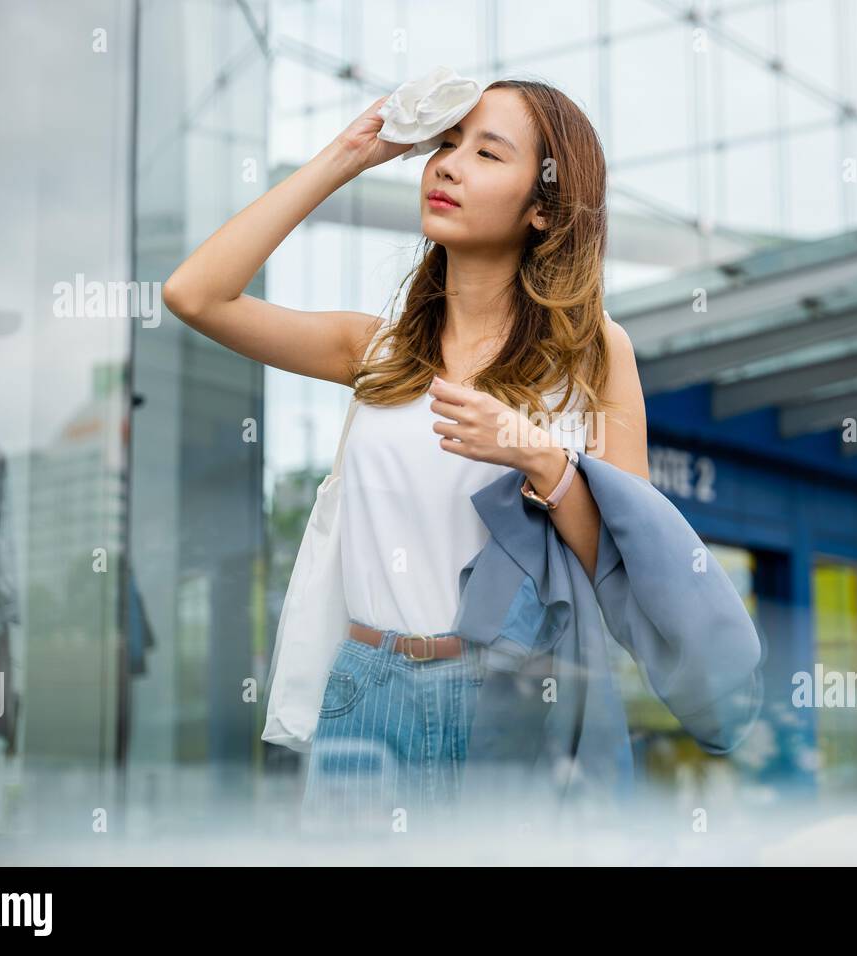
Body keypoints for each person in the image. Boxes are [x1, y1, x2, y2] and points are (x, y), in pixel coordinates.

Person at [162, 79, 649, 834]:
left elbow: (628, 562)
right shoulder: (377, 350)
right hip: (367, 689)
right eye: (446, 145)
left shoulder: (594, 353)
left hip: (509, 693)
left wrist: (538, 457)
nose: (447, 165)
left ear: (544, 208)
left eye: (487, 153)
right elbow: (194, 294)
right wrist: (349, 155)